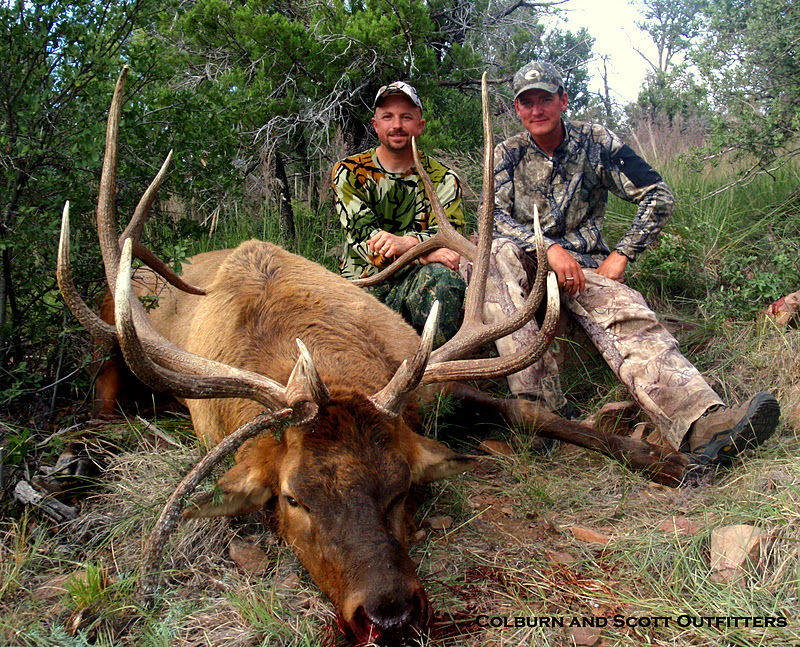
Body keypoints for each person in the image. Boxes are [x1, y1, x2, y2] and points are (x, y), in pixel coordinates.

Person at [483, 60, 780, 471]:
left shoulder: (595, 141)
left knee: (628, 316)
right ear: (517, 109)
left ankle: (702, 424)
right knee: (495, 256)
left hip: (583, 271)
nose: (537, 110)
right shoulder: (507, 153)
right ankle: (539, 415)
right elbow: (492, 218)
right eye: (527, 102)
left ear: (563, 100)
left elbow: (657, 194)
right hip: (522, 266)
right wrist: (548, 248)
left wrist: (621, 256)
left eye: (546, 99)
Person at [331, 81, 466, 348]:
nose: (397, 125)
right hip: (364, 285)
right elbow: (369, 246)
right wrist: (424, 252)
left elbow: (452, 243)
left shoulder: (444, 178)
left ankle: (434, 374)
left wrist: (408, 243)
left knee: (446, 281)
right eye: (388, 117)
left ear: (420, 125)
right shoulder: (349, 172)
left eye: (406, 117)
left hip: (418, 283)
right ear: (375, 124)